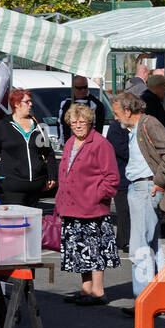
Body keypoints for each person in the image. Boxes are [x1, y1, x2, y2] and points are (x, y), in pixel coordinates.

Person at [112, 91, 165, 313]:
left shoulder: (148, 124)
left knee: (139, 247)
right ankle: (160, 298)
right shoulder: (138, 126)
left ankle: (144, 303)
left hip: (145, 187)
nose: (115, 118)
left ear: (127, 111)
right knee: (151, 245)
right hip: (142, 187)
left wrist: (159, 182)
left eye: (116, 113)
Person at [55, 103, 119, 306]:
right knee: (78, 249)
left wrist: (96, 196)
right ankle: (86, 288)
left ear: (90, 122)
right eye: (74, 122)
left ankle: (98, 292)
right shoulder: (70, 143)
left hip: (92, 209)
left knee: (94, 250)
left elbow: (112, 178)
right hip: (71, 206)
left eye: (82, 122)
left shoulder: (100, 144)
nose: (78, 126)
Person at [0, 88, 55, 207]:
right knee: (16, 222)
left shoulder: (38, 125)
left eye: (30, 101)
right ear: (16, 104)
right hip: (13, 184)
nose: (31, 104)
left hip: (36, 184)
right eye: (27, 102)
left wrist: (52, 175)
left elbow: (48, 153)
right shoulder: (3, 126)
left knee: (31, 222)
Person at [105, 115, 130, 251]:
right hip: (121, 174)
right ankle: (123, 241)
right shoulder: (116, 127)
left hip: (129, 175)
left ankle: (124, 239)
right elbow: (121, 150)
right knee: (124, 210)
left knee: (129, 210)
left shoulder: (130, 126)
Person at [58, 75, 106, 143]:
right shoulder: (66, 104)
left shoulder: (96, 104)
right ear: (73, 88)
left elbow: (98, 128)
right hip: (69, 144)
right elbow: (61, 124)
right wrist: (62, 143)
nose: (83, 90)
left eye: (85, 87)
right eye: (79, 88)